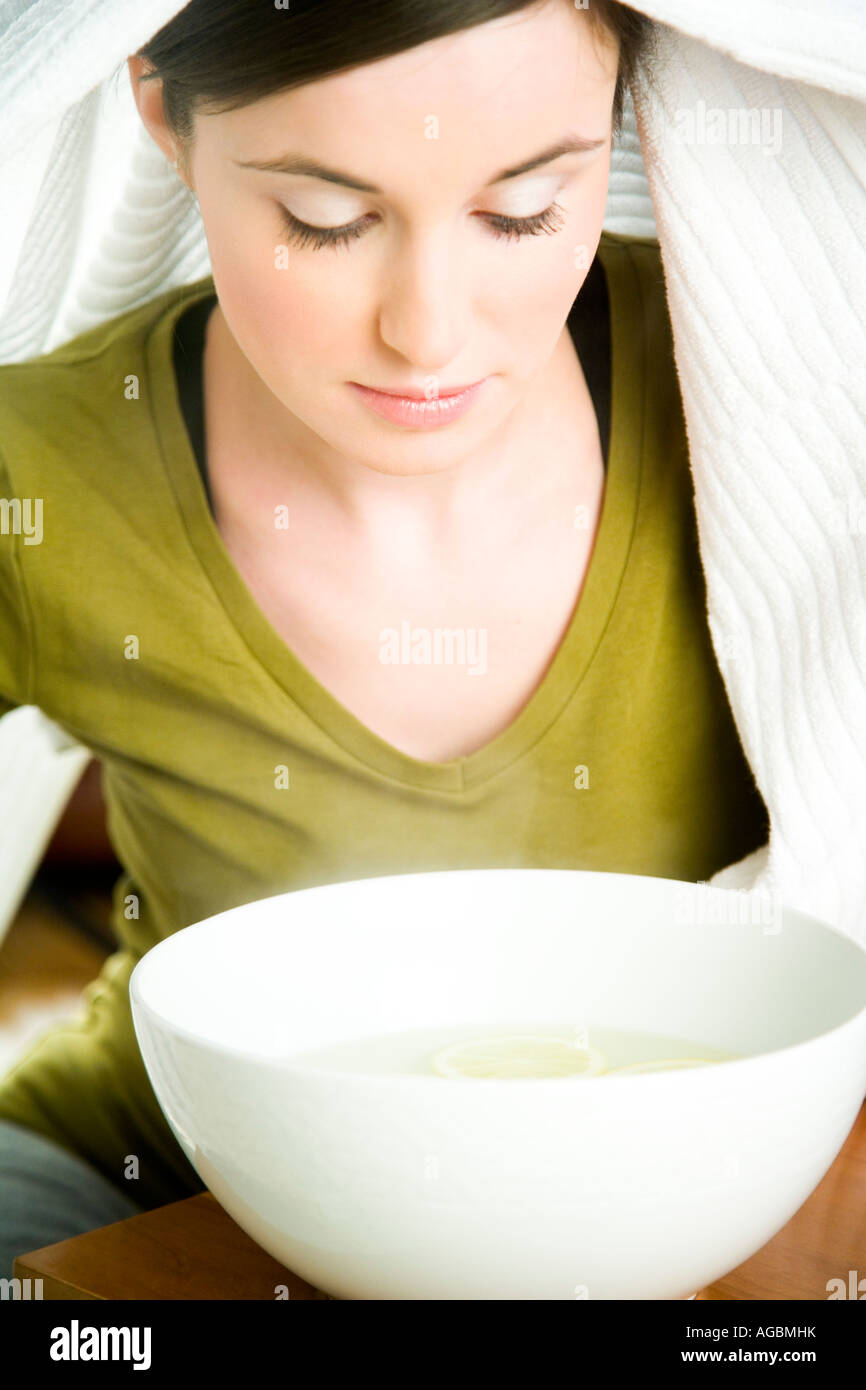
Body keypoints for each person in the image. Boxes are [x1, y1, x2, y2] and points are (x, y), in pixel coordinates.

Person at [0, 0, 769, 1279]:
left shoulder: (756, 407)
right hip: (151, 1178)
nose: (428, 331)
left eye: (522, 207)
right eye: (326, 218)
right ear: (165, 123)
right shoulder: (42, 470)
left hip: (700, 1189)